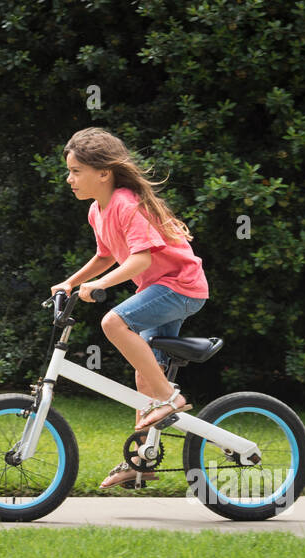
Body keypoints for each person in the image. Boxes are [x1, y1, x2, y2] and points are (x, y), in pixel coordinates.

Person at [49, 127, 209, 489]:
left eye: (76, 171)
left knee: (113, 322)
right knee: (144, 375)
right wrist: (70, 282)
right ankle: (142, 459)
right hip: (162, 288)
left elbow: (140, 259)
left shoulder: (125, 202)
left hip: (180, 287)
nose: (69, 179)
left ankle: (170, 398)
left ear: (103, 173)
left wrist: (100, 286)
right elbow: (105, 255)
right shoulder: (97, 210)